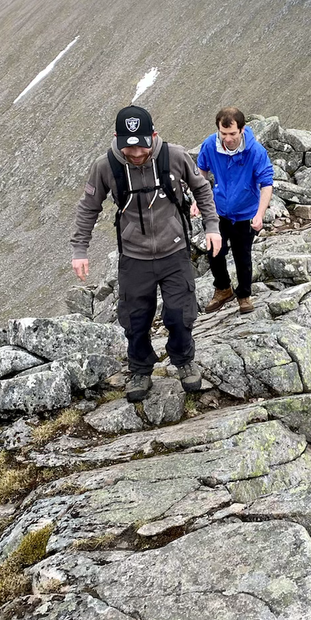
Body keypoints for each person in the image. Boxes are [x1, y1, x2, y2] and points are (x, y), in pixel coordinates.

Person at [71, 105, 222, 401]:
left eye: (142, 144)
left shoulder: (174, 156)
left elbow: (202, 189)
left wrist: (212, 226)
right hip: (134, 256)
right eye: (129, 147)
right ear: (117, 138)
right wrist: (80, 249)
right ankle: (140, 370)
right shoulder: (106, 166)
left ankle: (184, 361)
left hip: (175, 251)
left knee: (180, 315)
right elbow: (88, 207)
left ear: (153, 134)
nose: (137, 153)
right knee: (135, 318)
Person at [196, 107, 274, 314]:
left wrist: (259, 214)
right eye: (223, 134)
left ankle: (244, 295)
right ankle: (223, 289)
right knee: (214, 251)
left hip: (245, 213)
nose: (228, 139)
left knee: (242, 256)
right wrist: (198, 198)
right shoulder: (210, 146)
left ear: (242, 129)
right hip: (219, 210)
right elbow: (201, 170)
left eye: (232, 134)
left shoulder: (255, 151)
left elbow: (267, 183)